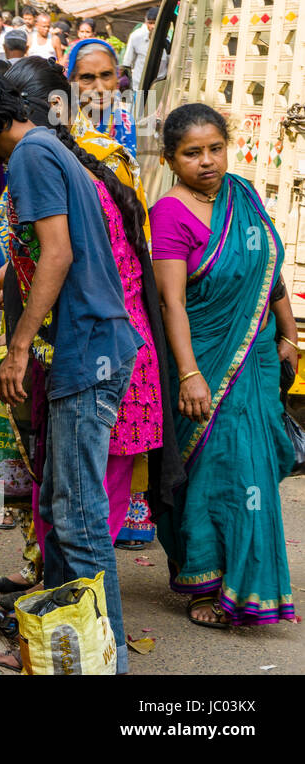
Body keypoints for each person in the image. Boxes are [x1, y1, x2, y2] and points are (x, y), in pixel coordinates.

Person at [0, 64, 143, 674]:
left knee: (79, 520)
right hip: (95, 340)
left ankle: (107, 662)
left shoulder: (28, 158)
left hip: (86, 348)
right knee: (59, 507)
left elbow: (59, 250)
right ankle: (61, 644)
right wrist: (11, 273)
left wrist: (19, 346)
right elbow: (64, 245)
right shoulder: (51, 144)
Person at [150, 103, 298, 628]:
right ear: (171, 159)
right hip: (205, 361)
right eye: (192, 153)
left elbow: (269, 269)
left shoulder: (242, 194)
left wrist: (288, 330)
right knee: (211, 470)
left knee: (250, 468)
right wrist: (189, 374)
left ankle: (247, 578)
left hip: (255, 360)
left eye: (215, 148)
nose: (208, 161)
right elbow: (172, 303)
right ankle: (203, 582)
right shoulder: (169, 213)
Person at [66, 38, 137, 156]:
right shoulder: (62, 122)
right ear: (72, 82)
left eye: (106, 75)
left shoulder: (124, 123)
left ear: (117, 79)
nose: (99, 88)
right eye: (87, 77)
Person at [122, 7, 158, 91]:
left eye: (155, 23)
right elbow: (127, 63)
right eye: (150, 23)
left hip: (158, 88)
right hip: (139, 87)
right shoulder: (136, 36)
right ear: (146, 22)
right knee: (140, 103)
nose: (152, 26)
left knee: (152, 103)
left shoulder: (167, 37)